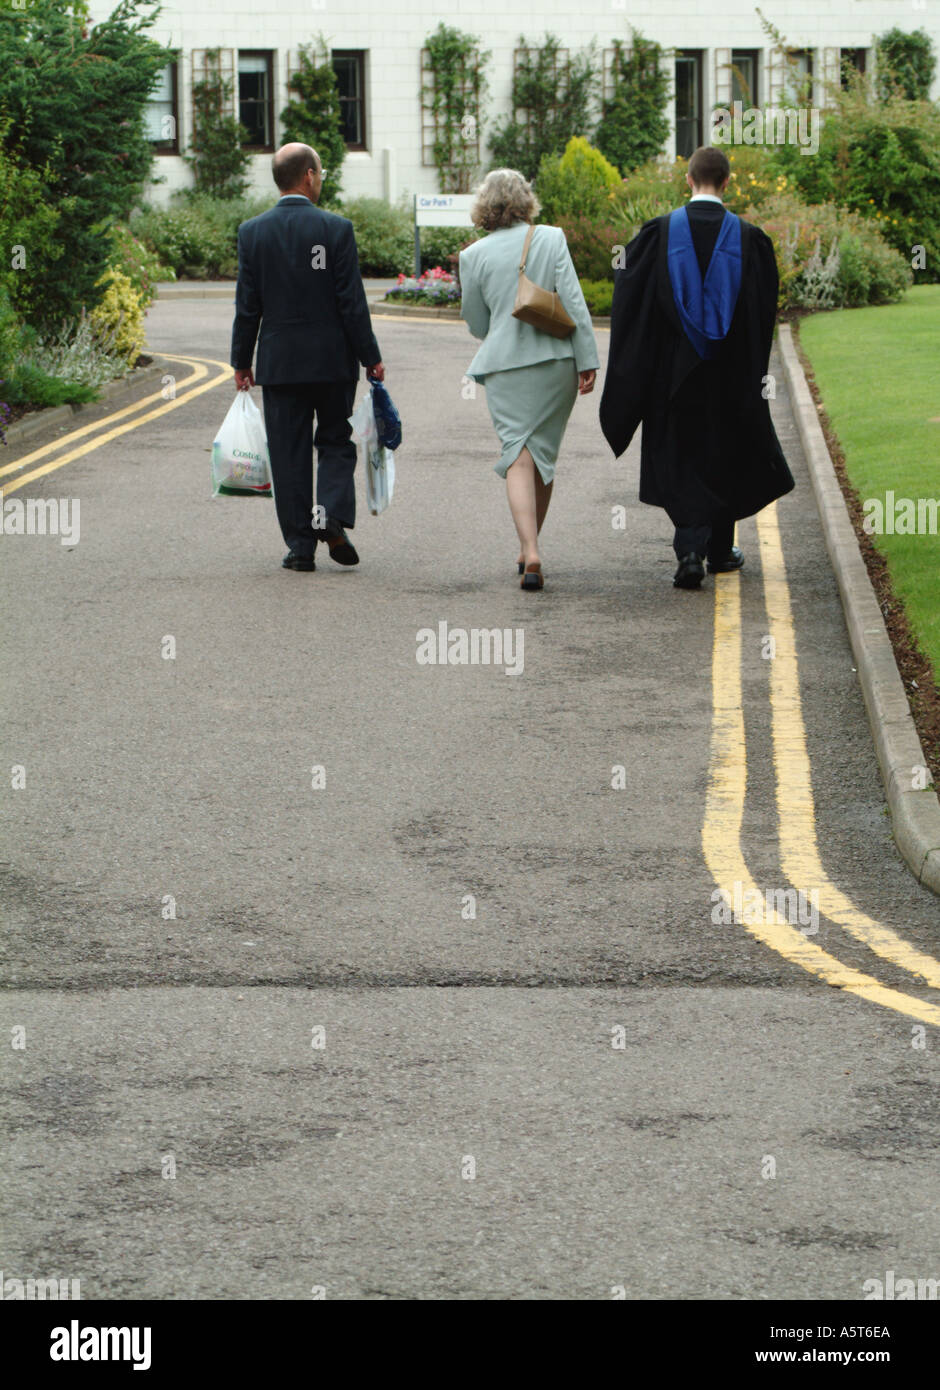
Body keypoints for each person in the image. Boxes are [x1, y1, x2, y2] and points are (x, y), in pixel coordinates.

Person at [599, 144, 794, 589]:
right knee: (722, 452)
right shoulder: (750, 240)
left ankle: (690, 549)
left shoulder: (658, 235)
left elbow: (632, 306)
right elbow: (761, 315)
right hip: (729, 376)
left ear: (688, 180)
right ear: (727, 182)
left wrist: (638, 371)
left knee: (680, 454)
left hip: (672, 377)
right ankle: (721, 551)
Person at [231, 142, 385, 572]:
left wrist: (241, 361)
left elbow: (248, 306)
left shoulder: (252, 232)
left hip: (280, 365)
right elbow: (351, 302)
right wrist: (370, 356)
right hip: (332, 362)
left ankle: (301, 549)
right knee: (335, 439)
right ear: (310, 177)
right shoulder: (336, 229)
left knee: (289, 453)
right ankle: (331, 515)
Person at [459, 168, 600, 590]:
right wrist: (586, 358)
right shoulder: (552, 238)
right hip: (557, 361)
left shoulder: (473, 256)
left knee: (517, 453)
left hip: (504, 365)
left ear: (485, 206)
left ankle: (530, 549)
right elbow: (573, 301)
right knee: (542, 458)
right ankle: (531, 547)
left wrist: (501, 327)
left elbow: (476, 321)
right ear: (525, 201)